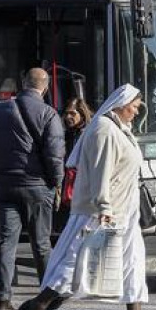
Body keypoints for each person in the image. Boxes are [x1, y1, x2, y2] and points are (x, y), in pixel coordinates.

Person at [18, 84, 148, 310]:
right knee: (77, 262)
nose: (137, 111)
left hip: (126, 212)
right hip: (100, 212)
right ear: (121, 104)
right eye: (134, 106)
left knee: (133, 263)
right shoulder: (104, 130)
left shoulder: (122, 129)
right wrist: (104, 207)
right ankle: (38, 305)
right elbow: (101, 171)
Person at [0, 68, 66, 310]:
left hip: (5, 186)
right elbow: (54, 155)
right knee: (41, 244)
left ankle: (3, 298)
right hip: (38, 188)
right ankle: (48, 296)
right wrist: (56, 183)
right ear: (45, 88)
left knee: (7, 243)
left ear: (22, 83)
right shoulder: (49, 114)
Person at [55, 97, 93, 230]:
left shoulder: (89, 134)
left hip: (82, 187)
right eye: (66, 113)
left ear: (82, 114)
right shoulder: (66, 135)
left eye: (73, 113)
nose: (68, 117)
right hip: (68, 188)